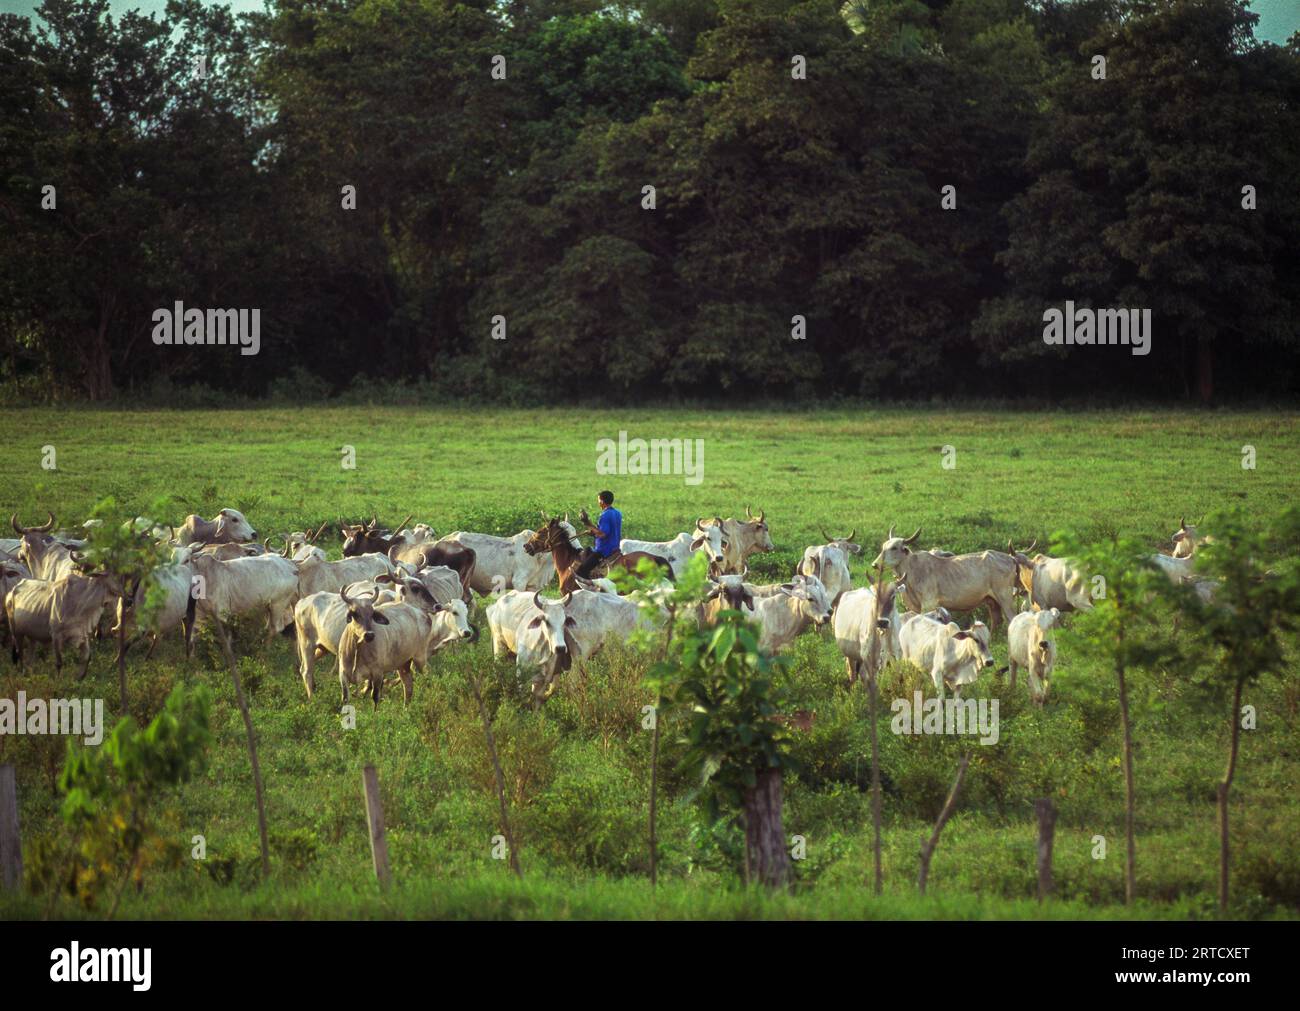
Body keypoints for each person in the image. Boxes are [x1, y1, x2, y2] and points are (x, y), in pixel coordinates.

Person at [574, 491, 621, 580]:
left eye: (598, 500)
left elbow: (602, 534)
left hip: (604, 550)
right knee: (587, 550)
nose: (598, 502)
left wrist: (586, 522)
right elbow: (605, 532)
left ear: (602, 501)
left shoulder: (605, 515)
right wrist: (592, 531)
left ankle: (590, 588)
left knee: (580, 571)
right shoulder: (617, 513)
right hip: (615, 548)